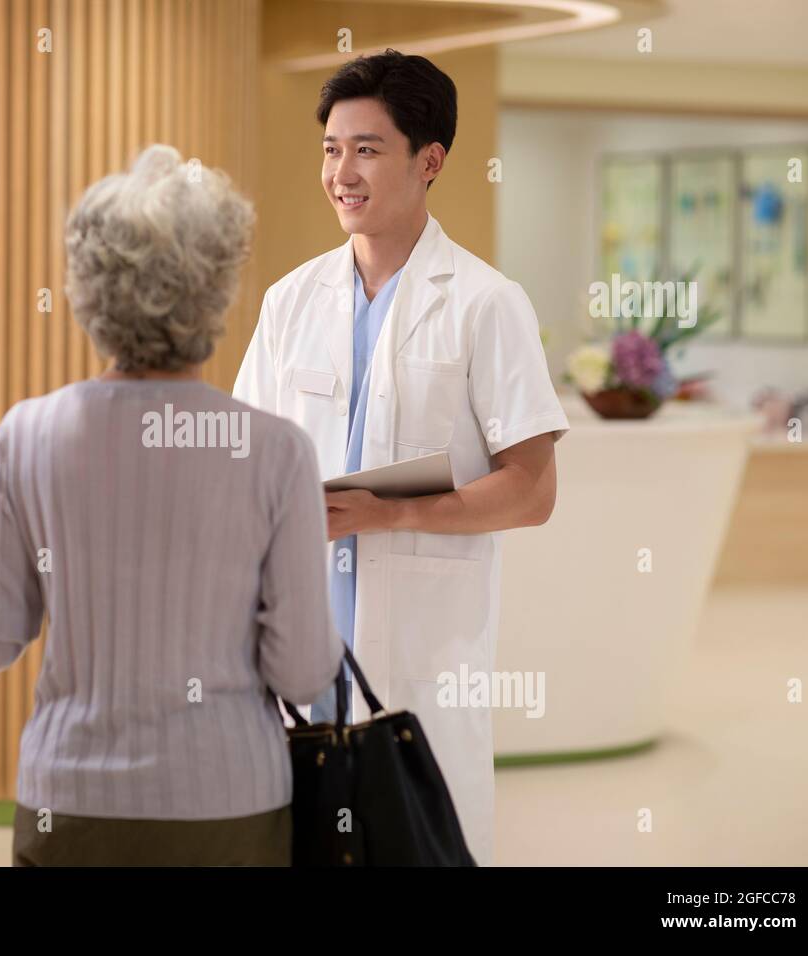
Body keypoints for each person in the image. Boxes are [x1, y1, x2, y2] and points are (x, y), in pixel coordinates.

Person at [0, 144, 342, 867]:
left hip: (70, 804)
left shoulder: (29, 435)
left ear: (88, 288)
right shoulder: (276, 451)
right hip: (229, 803)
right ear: (218, 287)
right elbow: (303, 672)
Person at [233, 51, 569, 865]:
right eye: (330, 149)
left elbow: (531, 492)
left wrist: (396, 513)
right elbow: (243, 460)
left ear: (430, 160)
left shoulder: (487, 303)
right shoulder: (291, 302)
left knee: (419, 844)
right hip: (295, 647)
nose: (342, 172)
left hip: (426, 660)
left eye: (367, 149)